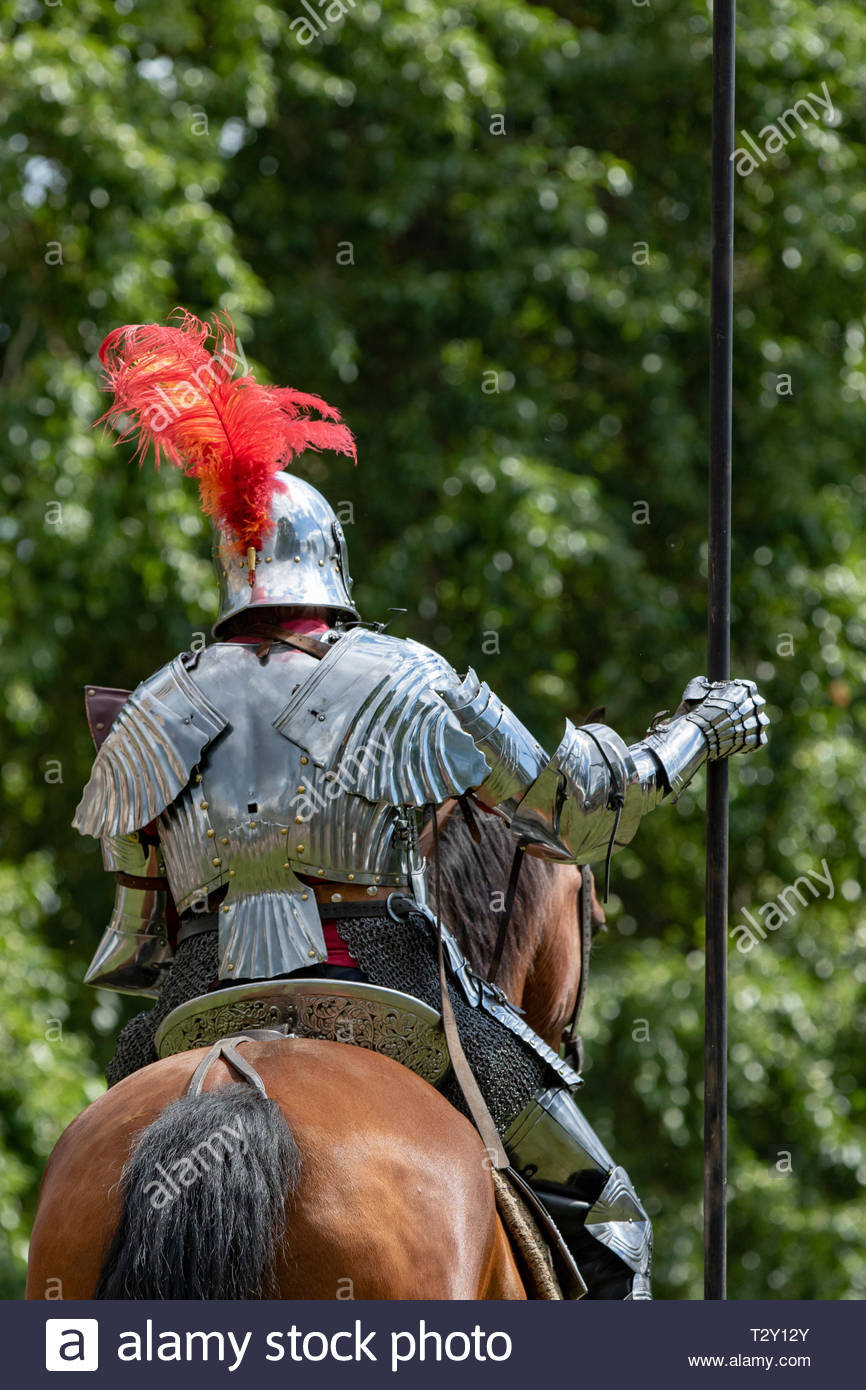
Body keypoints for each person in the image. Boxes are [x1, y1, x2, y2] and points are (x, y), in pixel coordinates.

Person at [74, 311, 768, 1299]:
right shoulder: (403, 675)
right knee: (609, 1213)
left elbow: (135, 935)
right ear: (332, 564)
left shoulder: (154, 707)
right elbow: (576, 815)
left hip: (192, 1007)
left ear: (230, 571)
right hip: (389, 991)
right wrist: (697, 729)